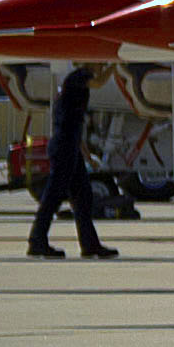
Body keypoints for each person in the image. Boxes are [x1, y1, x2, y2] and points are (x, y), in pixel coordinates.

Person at [28, 64, 116, 260]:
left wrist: (86, 156)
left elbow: (75, 127)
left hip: (70, 146)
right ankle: (37, 241)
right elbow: (99, 81)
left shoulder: (75, 84)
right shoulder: (77, 77)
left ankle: (90, 245)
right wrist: (116, 65)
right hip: (64, 147)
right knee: (54, 196)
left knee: (83, 197)